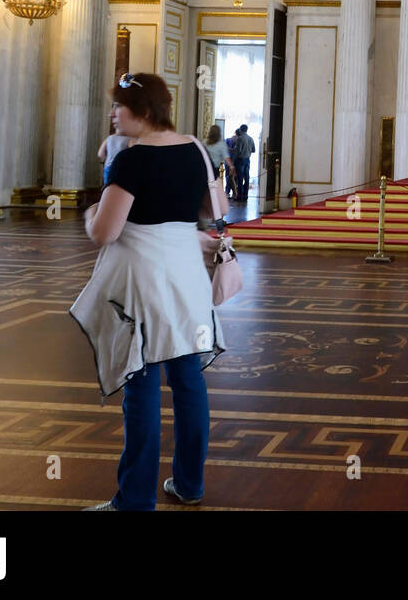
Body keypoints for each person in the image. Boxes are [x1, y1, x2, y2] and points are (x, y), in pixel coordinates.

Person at [72, 72, 224, 511]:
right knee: (189, 381)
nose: (112, 114)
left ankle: (134, 501)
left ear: (140, 111)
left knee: (140, 388)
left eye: (118, 106)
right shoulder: (195, 150)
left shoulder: (132, 161)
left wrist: (91, 213)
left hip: (140, 285)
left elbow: (105, 233)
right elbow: (215, 212)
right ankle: (190, 484)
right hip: (186, 280)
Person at [203, 124, 235, 229]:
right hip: (214, 171)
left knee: (204, 194)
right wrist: (231, 167)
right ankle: (218, 218)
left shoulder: (204, 142)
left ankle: (204, 217)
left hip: (203, 171)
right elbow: (226, 158)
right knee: (217, 196)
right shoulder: (221, 144)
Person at [232, 125, 255, 201]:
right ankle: (245, 196)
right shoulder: (251, 138)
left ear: (241, 130)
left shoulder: (240, 138)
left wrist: (233, 162)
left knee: (240, 179)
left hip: (240, 160)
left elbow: (238, 151)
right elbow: (253, 150)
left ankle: (240, 197)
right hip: (247, 160)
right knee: (247, 178)